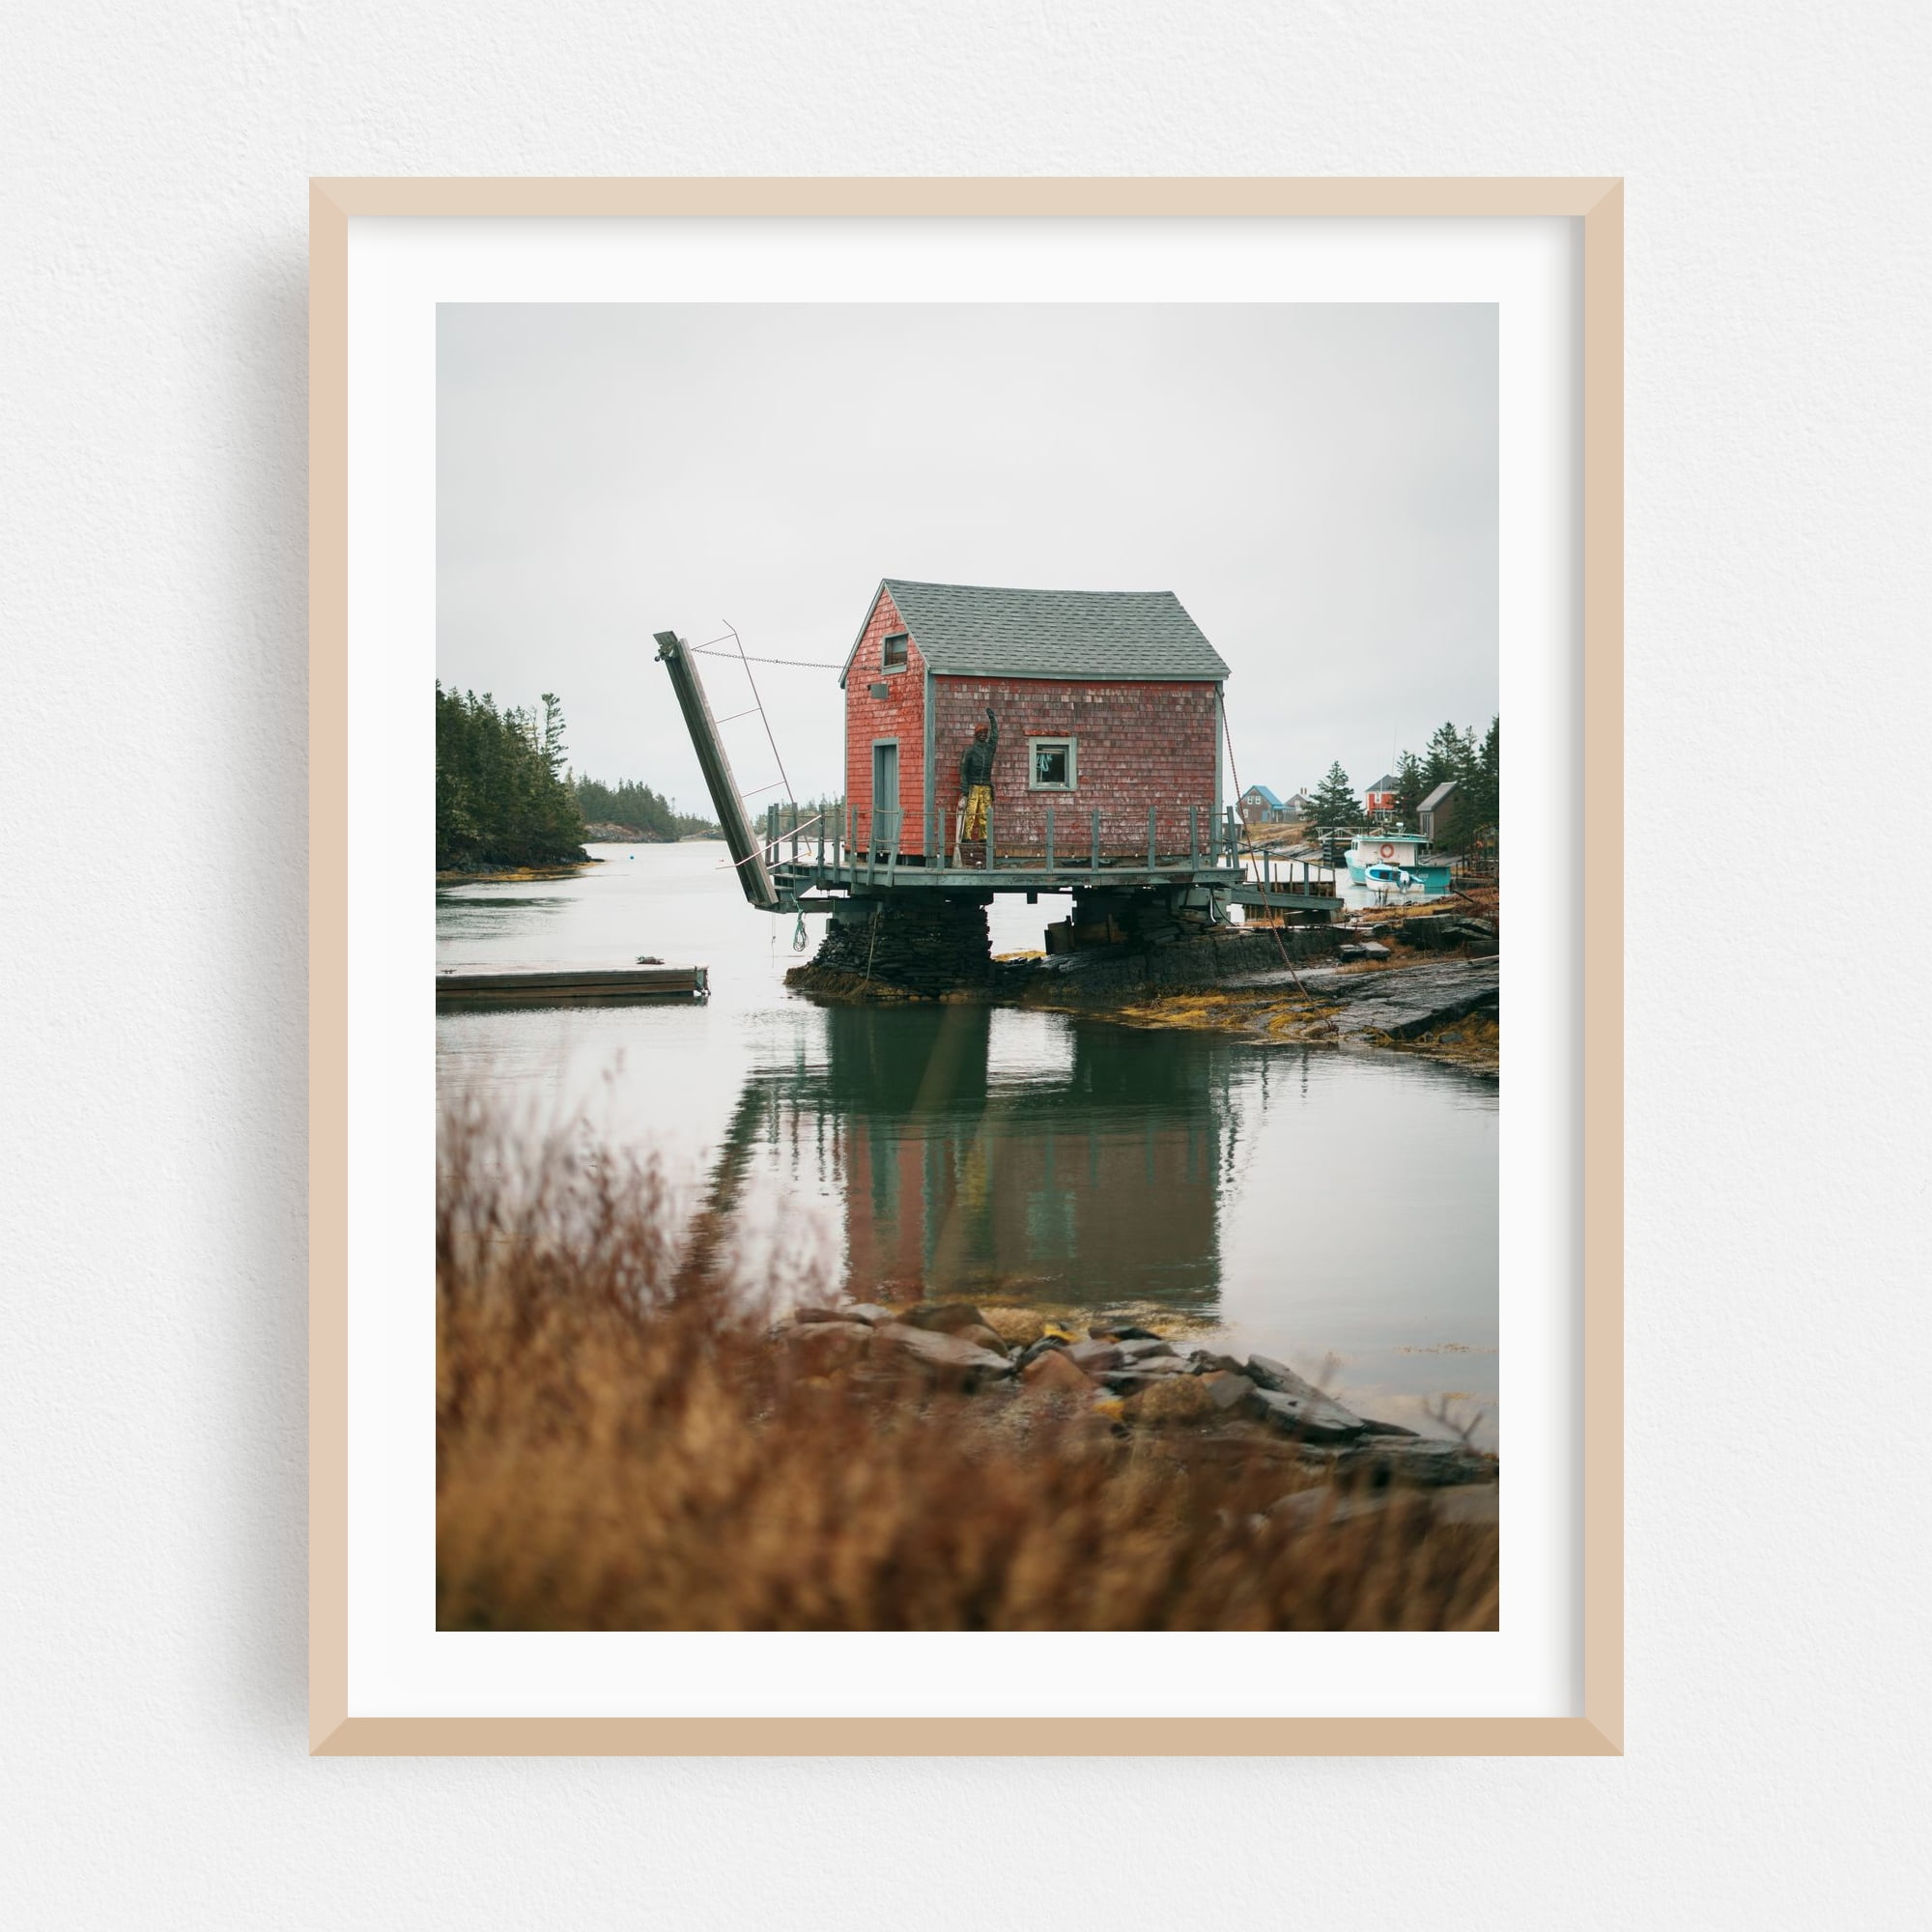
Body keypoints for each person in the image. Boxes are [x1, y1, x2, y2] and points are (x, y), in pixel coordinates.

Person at [955, 707, 998, 867]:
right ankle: (966, 836)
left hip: (985, 786)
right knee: (971, 812)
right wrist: (965, 788)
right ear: (976, 735)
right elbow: (963, 771)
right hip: (973, 786)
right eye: (980, 733)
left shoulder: (989, 749)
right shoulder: (970, 751)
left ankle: (984, 837)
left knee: (985, 814)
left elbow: (996, 736)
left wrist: (992, 719)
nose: (983, 735)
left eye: (984, 733)